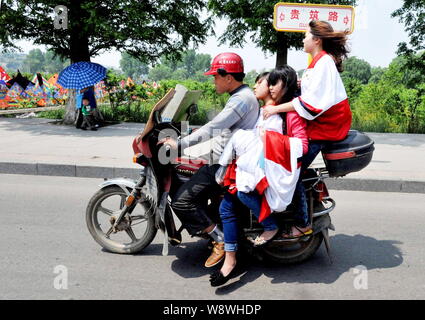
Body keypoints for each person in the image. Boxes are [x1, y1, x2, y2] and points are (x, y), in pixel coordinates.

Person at [158, 52, 260, 268]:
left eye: (216, 76)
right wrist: (192, 131)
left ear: (228, 77)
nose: (213, 80)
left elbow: (214, 127)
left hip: (224, 164)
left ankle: (220, 239)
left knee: (181, 201)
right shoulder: (241, 96)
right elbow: (220, 125)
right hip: (224, 157)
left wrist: (180, 144)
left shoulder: (241, 100)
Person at [210, 67, 308, 287]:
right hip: (261, 162)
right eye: (269, 82)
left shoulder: (289, 113)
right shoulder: (266, 109)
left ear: (286, 85)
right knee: (226, 206)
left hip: (275, 167)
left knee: (241, 193)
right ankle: (230, 258)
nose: (269, 86)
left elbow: (301, 145)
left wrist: (269, 140)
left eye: (274, 83)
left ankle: (268, 226)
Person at [262, 20, 352, 238]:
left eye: (305, 35)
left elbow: (310, 104)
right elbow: (310, 91)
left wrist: (274, 110)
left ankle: (303, 224)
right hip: (320, 125)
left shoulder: (324, 63)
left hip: (325, 128)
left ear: (316, 40)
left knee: (291, 173)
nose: (302, 39)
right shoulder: (318, 62)